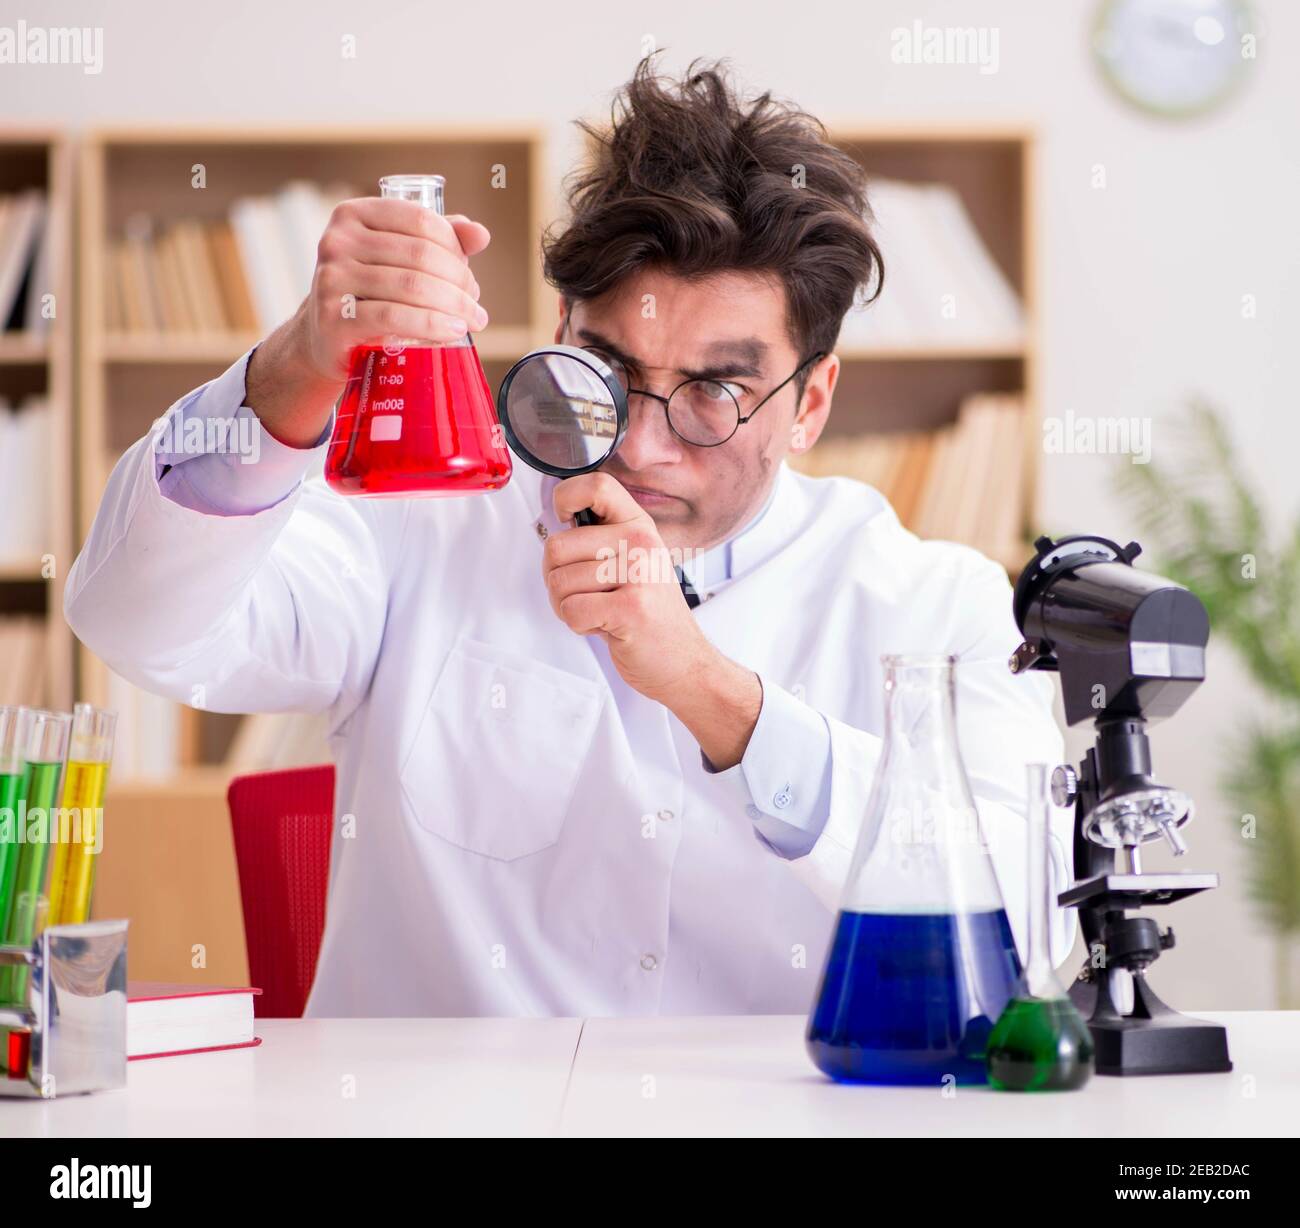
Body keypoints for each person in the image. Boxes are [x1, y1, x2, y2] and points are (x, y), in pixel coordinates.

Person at [66, 57, 1072, 1017]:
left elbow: (1031, 916)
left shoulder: (930, 600)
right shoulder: (421, 517)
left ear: (809, 402)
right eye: (605, 371)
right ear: (558, 327)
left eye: (715, 392)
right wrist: (296, 366)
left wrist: (709, 691)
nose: (637, 443)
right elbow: (133, 620)